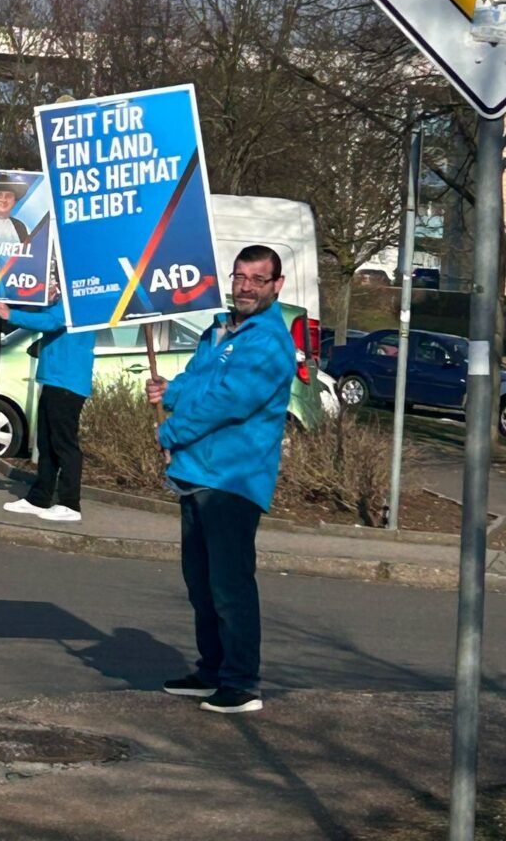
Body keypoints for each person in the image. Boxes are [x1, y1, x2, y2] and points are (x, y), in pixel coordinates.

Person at [146, 244, 297, 716]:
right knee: (200, 581)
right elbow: (199, 383)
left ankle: (241, 682)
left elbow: (230, 401)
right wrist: (170, 392)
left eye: (257, 278)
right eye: (239, 277)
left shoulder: (268, 342)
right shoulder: (218, 330)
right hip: (197, 473)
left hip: (234, 477)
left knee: (230, 583)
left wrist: (171, 429)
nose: (246, 286)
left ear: (276, 285)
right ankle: (211, 669)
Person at [0, 283, 95, 523]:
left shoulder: (78, 297)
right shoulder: (68, 298)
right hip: (55, 378)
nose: (58, 280)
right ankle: (39, 497)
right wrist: (48, 302)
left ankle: (70, 503)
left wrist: (11, 315)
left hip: (67, 381)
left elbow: (51, 322)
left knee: (64, 443)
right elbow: (50, 318)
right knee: (46, 443)